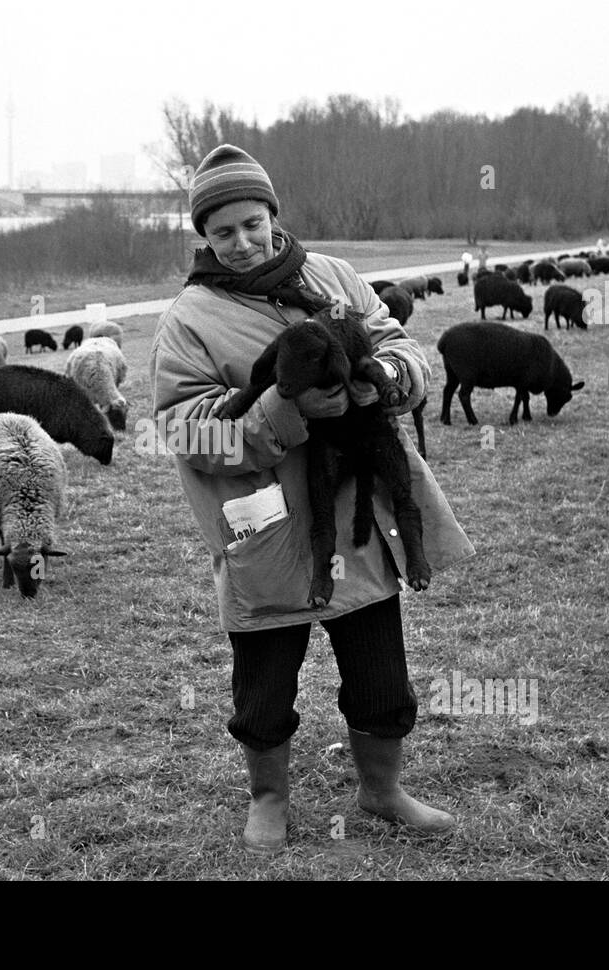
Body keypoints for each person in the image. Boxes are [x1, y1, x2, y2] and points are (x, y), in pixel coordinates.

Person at [149, 145, 474, 853]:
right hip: (267, 527)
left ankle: (382, 790)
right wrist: (283, 413)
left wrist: (383, 378)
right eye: (224, 230)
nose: (243, 241)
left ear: (273, 215)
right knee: (263, 693)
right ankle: (268, 797)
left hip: (360, 517)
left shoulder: (331, 276)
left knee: (383, 679)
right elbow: (185, 430)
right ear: (203, 235)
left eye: (253, 222)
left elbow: (401, 346)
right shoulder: (189, 319)